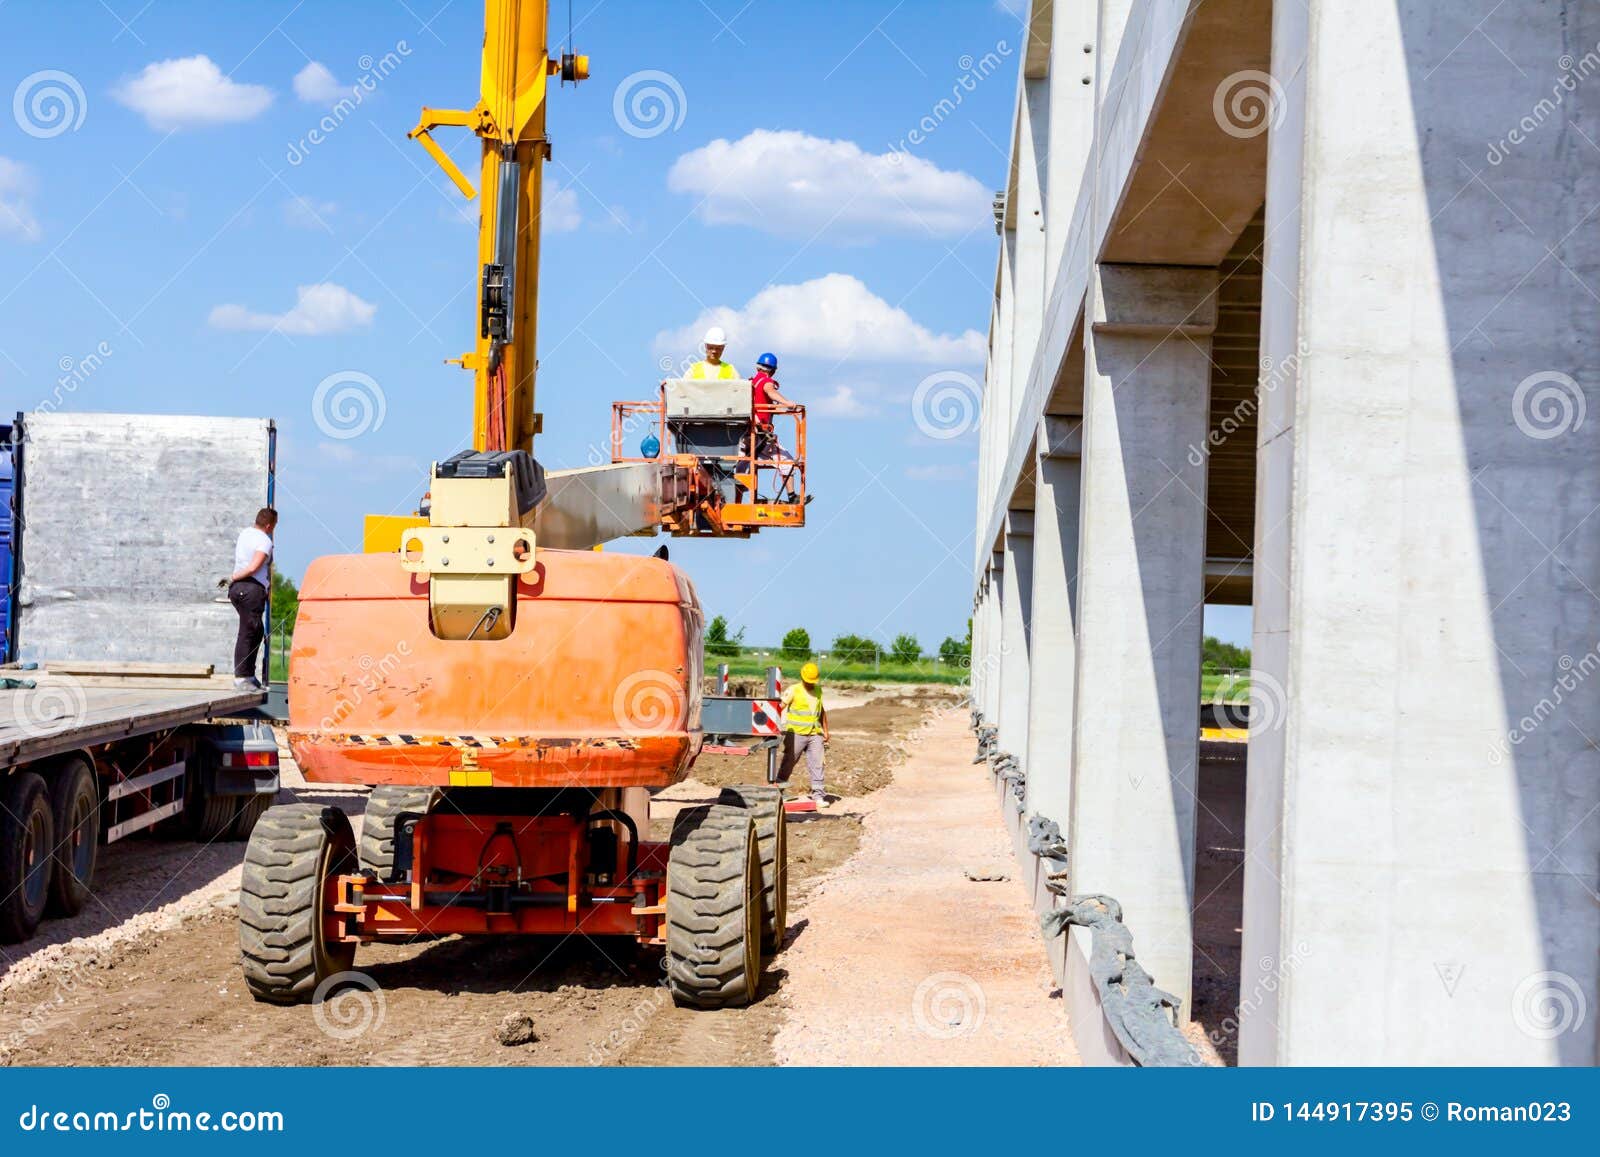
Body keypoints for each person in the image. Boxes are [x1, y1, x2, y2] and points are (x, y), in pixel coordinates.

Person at [227, 508, 276, 691]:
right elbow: (253, 567)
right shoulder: (265, 541)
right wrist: (234, 577)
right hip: (250, 589)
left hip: (239, 590)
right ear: (270, 525)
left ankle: (248, 675)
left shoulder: (245, 533)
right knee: (248, 631)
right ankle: (241, 678)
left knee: (255, 630)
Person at [750, 351, 799, 501]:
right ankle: (792, 496)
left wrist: (779, 409)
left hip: (748, 433)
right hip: (761, 435)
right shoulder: (766, 381)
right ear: (773, 370)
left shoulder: (751, 382)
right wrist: (788, 403)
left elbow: (762, 403)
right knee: (787, 462)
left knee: (744, 467)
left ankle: (736, 499)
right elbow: (770, 392)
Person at [779, 661, 829, 807]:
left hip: (815, 733)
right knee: (789, 761)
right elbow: (778, 707)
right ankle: (779, 790)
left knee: (817, 763)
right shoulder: (793, 690)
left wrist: (826, 730)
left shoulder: (818, 690)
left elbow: (822, 711)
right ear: (802, 678)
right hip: (796, 734)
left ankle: (818, 796)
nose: (810, 684)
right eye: (808, 681)